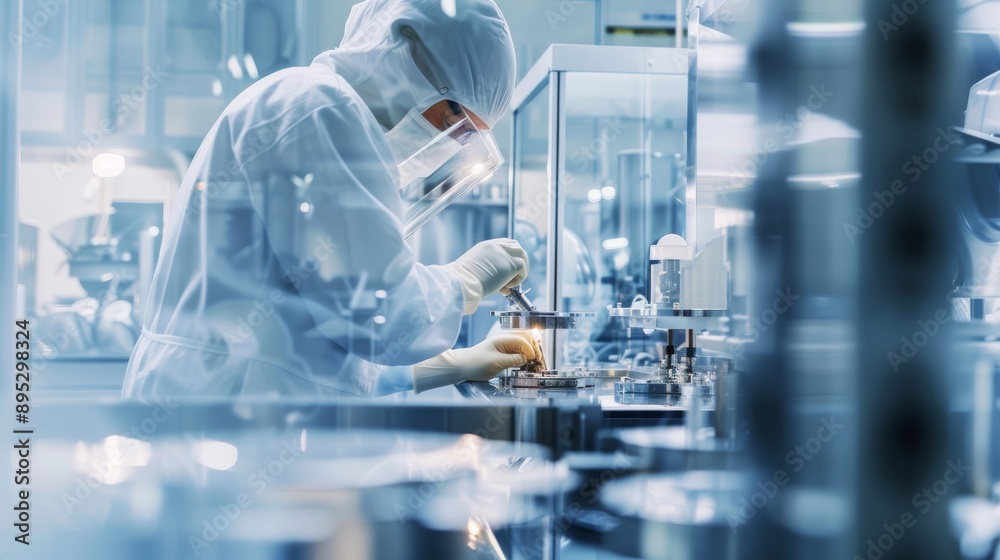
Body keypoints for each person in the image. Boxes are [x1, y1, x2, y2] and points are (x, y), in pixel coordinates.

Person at [121, 0, 535, 400]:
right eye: (453, 118)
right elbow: (379, 317)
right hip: (225, 408)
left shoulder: (322, 108)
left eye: (465, 136)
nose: (449, 141)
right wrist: (466, 279)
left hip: (234, 395)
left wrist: (444, 366)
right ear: (404, 57)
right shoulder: (321, 108)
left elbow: (322, 329)